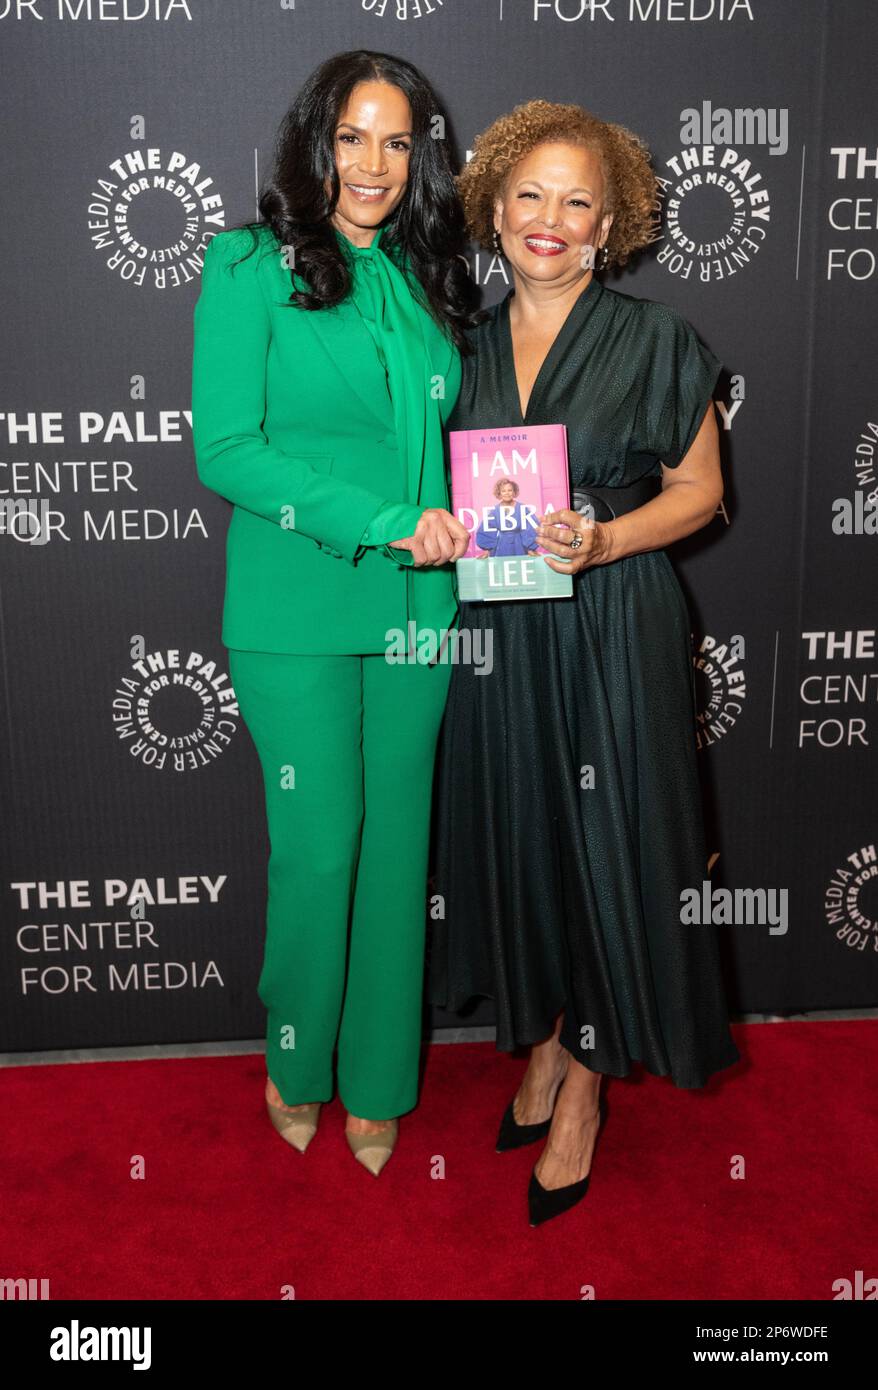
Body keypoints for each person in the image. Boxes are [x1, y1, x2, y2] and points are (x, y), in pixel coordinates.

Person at [430, 100, 741, 1225]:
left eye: (575, 202)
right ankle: (554, 1042)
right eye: (528, 196)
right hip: (499, 634)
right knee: (533, 844)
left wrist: (607, 535)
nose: (548, 220)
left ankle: (584, 1099)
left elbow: (701, 493)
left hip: (612, 622)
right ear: (493, 210)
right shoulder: (451, 343)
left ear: (610, 223)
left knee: (613, 846)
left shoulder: (657, 340)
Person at [191, 50, 475, 1177]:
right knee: (320, 847)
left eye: (398, 141)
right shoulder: (243, 265)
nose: (374, 163)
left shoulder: (424, 277)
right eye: (353, 136)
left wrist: (500, 525)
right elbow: (228, 449)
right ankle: (294, 1059)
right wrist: (382, 516)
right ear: (314, 141)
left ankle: (379, 1082)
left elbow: (452, 456)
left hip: (416, 606)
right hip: (296, 606)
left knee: (398, 848)